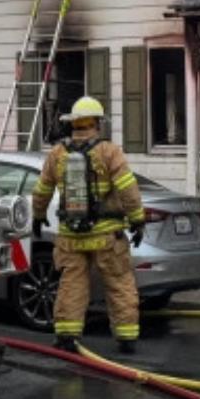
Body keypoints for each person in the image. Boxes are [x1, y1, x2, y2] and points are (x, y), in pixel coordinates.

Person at [30, 96, 147, 354]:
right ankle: (126, 338)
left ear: (73, 123)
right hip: (107, 235)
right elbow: (129, 189)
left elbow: (41, 190)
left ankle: (67, 336)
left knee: (71, 284)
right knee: (119, 283)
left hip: (70, 236)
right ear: (96, 122)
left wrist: (38, 216)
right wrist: (138, 220)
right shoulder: (109, 151)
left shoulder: (58, 153)